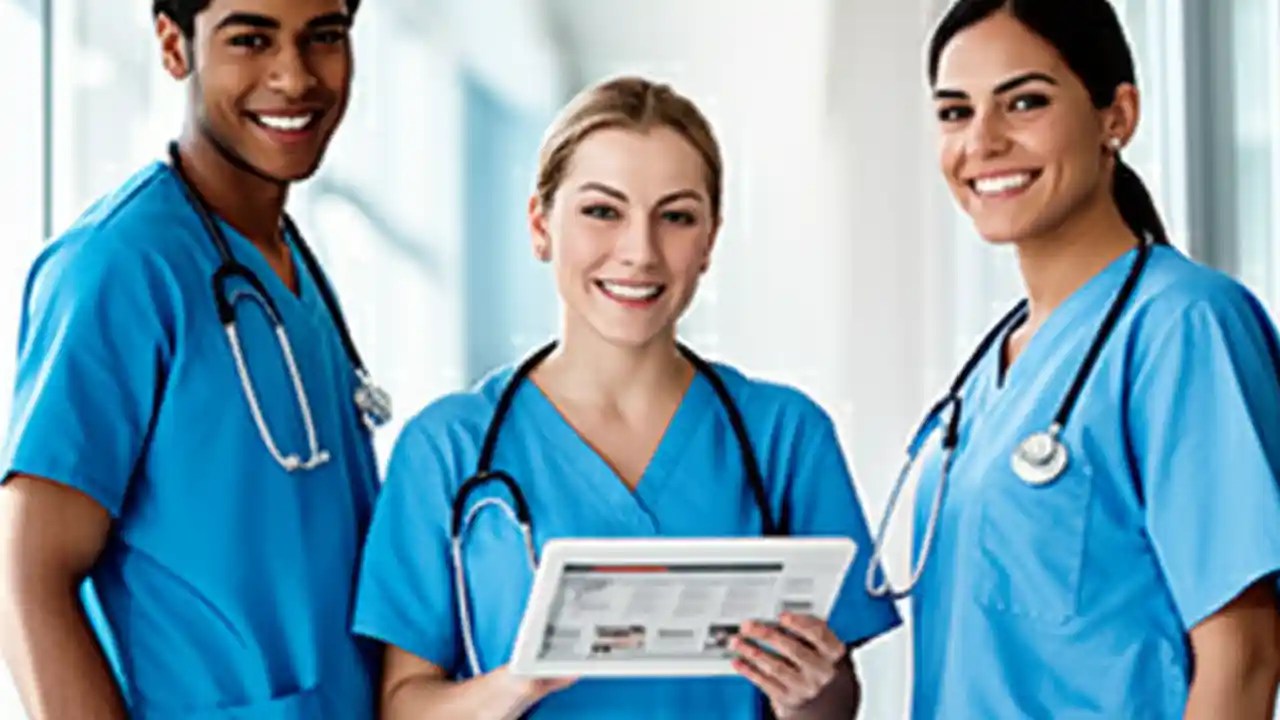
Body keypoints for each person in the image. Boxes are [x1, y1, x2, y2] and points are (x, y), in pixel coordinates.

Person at [351, 76, 901, 719]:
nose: (640, 252)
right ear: (540, 225)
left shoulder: (784, 436)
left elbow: (835, 703)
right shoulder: (450, 447)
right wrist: (520, 682)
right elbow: (402, 705)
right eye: (602, 211)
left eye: (676, 217)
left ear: (709, 241)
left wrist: (810, 691)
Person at [865, 1, 1280, 717]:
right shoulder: (993, 365)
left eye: (1024, 102)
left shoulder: (1183, 327)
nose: (983, 141)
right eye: (956, 112)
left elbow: (1243, 656)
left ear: (1117, 115)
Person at [0, 0, 386, 717]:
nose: (295, 76)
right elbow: (28, 576)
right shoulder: (120, 266)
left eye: (324, 37)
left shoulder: (290, 265)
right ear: (175, 46)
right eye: (251, 39)